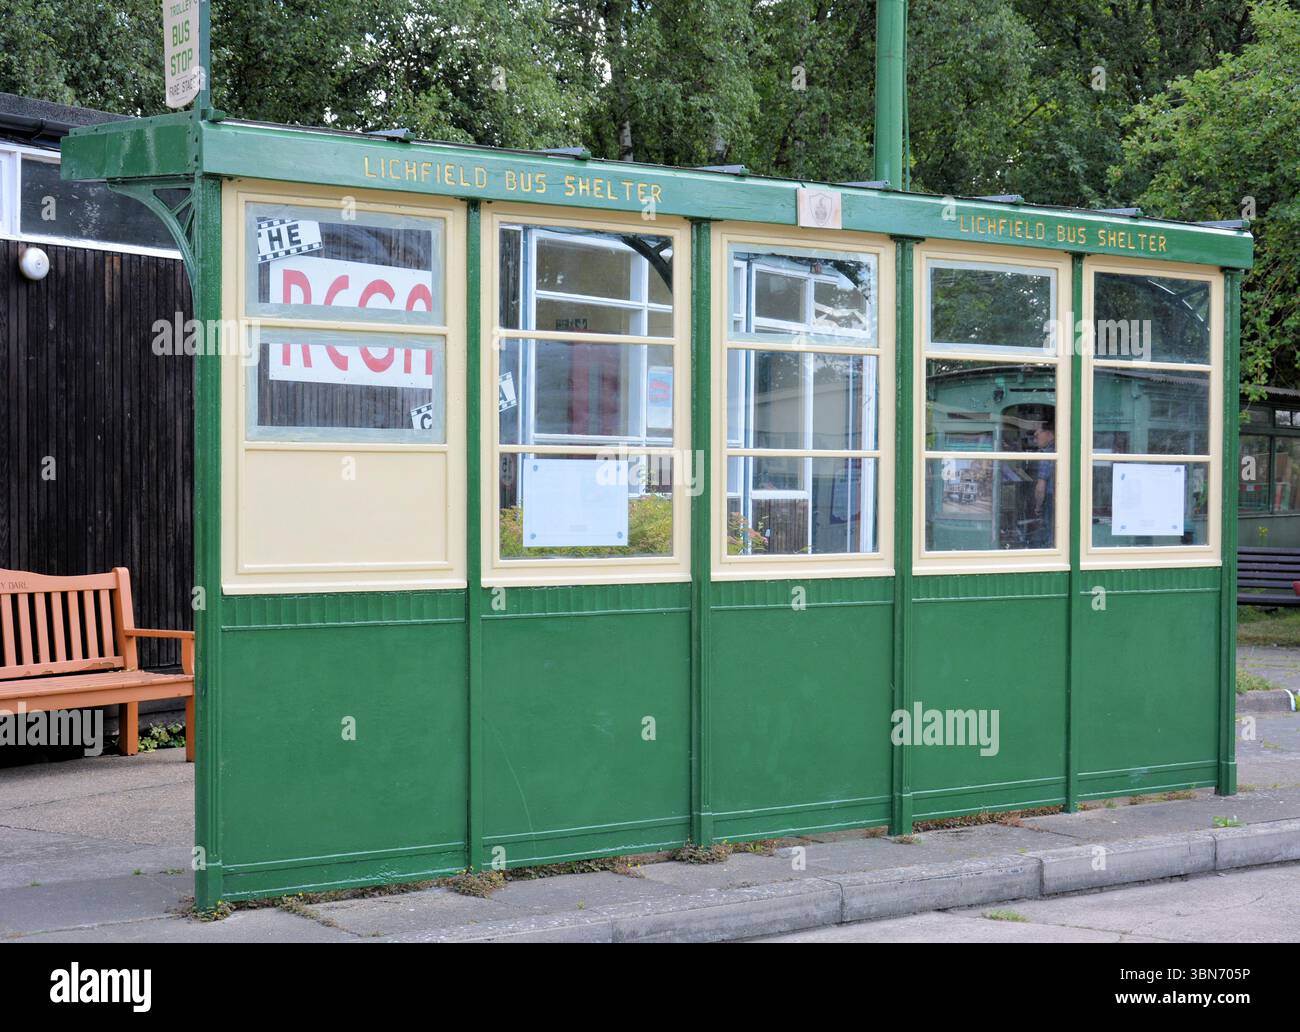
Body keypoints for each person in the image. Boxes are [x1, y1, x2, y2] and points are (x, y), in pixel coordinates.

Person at [1028, 422, 1055, 548]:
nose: (1035, 435)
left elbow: (1041, 487)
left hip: (1050, 499)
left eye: (1039, 432)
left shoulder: (1047, 454)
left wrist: (1038, 506)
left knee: (1049, 532)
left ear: (1050, 434)